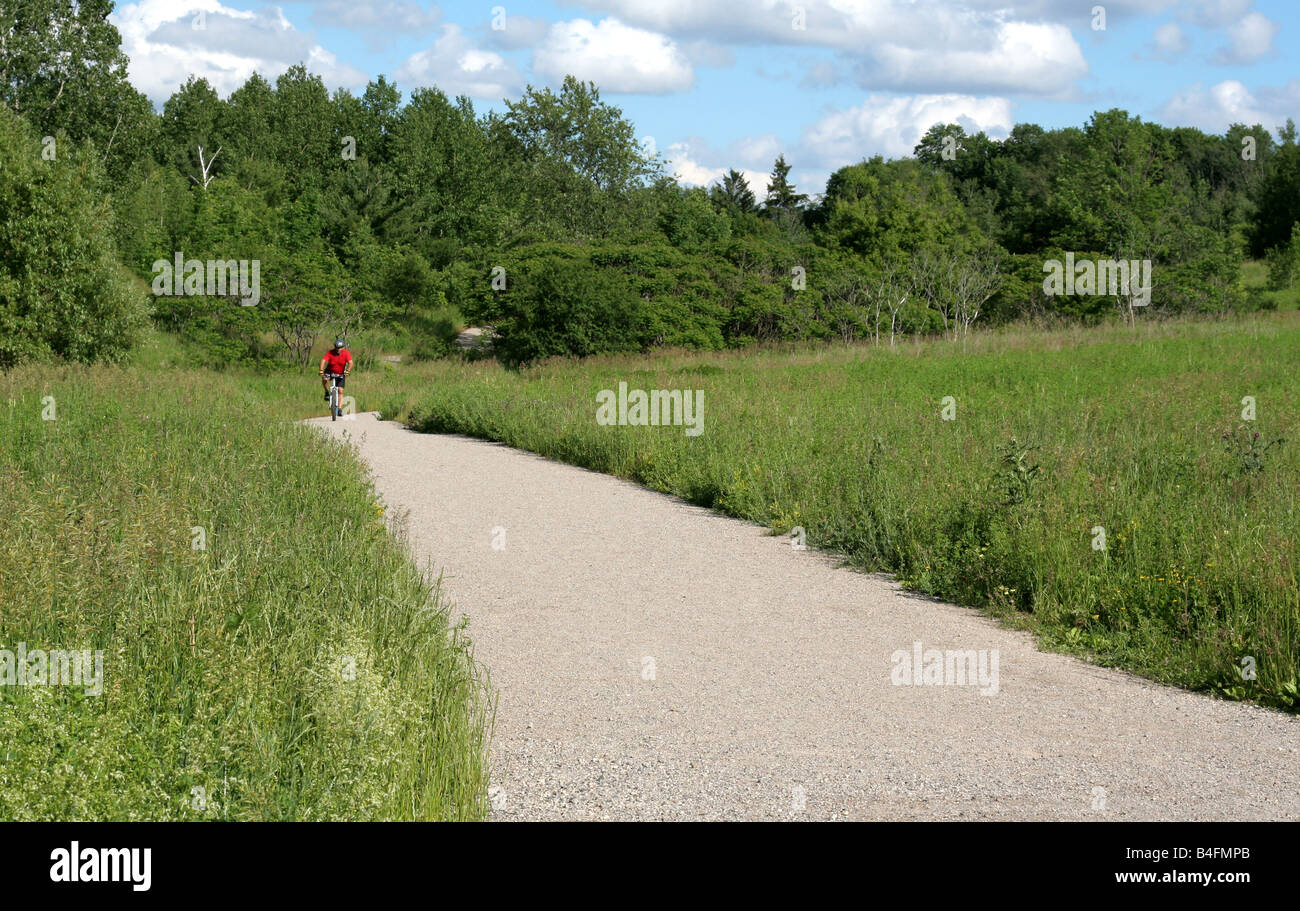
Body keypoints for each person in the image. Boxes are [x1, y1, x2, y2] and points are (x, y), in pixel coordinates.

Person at [319, 339, 353, 413]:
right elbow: (323, 360)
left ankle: (340, 409)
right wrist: (321, 370)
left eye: (340, 348)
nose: (338, 349)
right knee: (325, 379)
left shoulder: (346, 353)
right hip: (330, 371)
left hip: (341, 373)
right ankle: (327, 392)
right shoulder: (330, 352)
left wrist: (347, 371)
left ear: (343, 347)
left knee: (340, 390)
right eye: (337, 348)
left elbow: (350, 363)